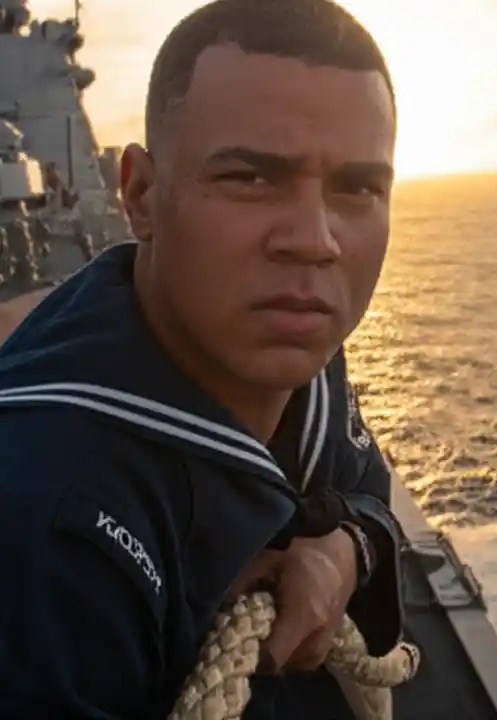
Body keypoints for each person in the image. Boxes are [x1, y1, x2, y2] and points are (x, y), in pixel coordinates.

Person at [0, 1, 402, 717]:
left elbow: (366, 486)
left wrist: (346, 548)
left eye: (357, 187)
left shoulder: (296, 351)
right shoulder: (51, 525)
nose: (315, 241)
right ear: (142, 196)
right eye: (251, 178)